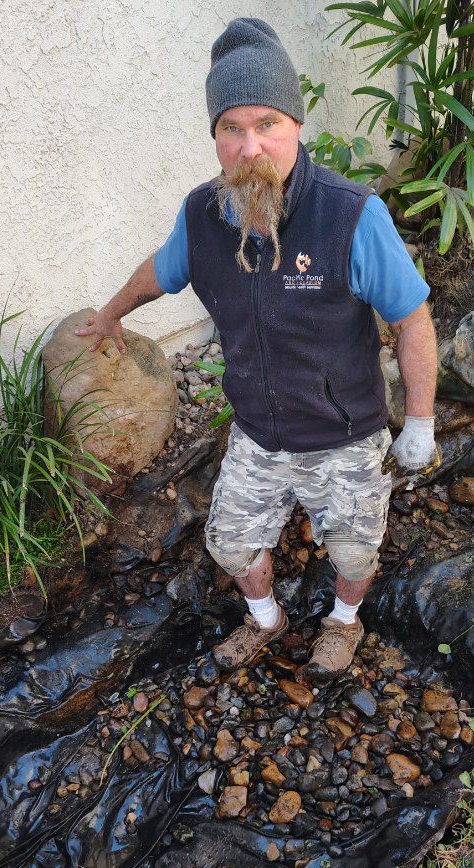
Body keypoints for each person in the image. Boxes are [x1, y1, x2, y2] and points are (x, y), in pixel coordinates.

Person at [76, 18, 438, 682]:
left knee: (353, 551)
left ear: (297, 125)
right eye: (231, 128)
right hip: (257, 431)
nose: (250, 146)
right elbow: (158, 272)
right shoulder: (203, 215)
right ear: (214, 136)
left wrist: (418, 423)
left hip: (344, 432)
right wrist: (108, 315)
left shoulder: (350, 214)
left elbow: (412, 321)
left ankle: (342, 622)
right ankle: (266, 620)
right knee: (231, 541)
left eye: (267, 123)